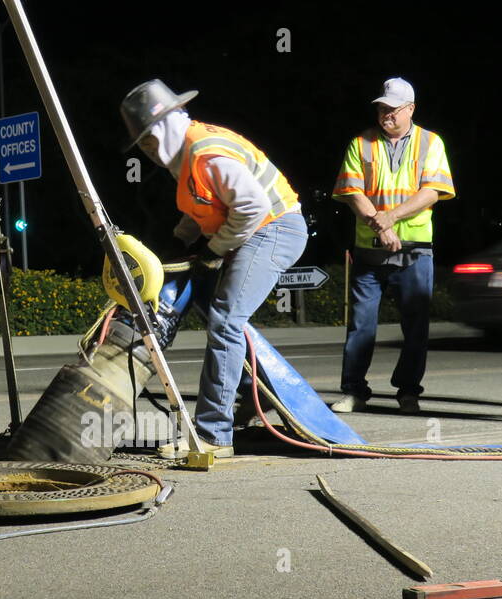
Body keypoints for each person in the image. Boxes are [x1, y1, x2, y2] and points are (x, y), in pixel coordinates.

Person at [119, 80, 307, 460]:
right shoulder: (185, 154)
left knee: (226, 320)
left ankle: (213, 436)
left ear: (167, 126)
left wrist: (212, 250)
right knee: (213, 307)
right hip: (256, 229)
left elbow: (251, 208)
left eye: (149, 141)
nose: (149, 152)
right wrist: (180, 239)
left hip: (275, 228)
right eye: (142, 146)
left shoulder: (206, 152)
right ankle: (256, 400)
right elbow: (201, 206)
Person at [329, 78, 454, 415]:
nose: (385, 114)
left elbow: (432, 191)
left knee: (415, 327)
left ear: (410, 109)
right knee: (360, 325)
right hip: (370, 248)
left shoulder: (431, 142)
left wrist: (390, 218)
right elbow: (352, 191)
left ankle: (408, 392)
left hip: (414, 249)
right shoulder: (361, 143)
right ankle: (354, 390)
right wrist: (379, 225)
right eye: (382, 107)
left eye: (393, 108)